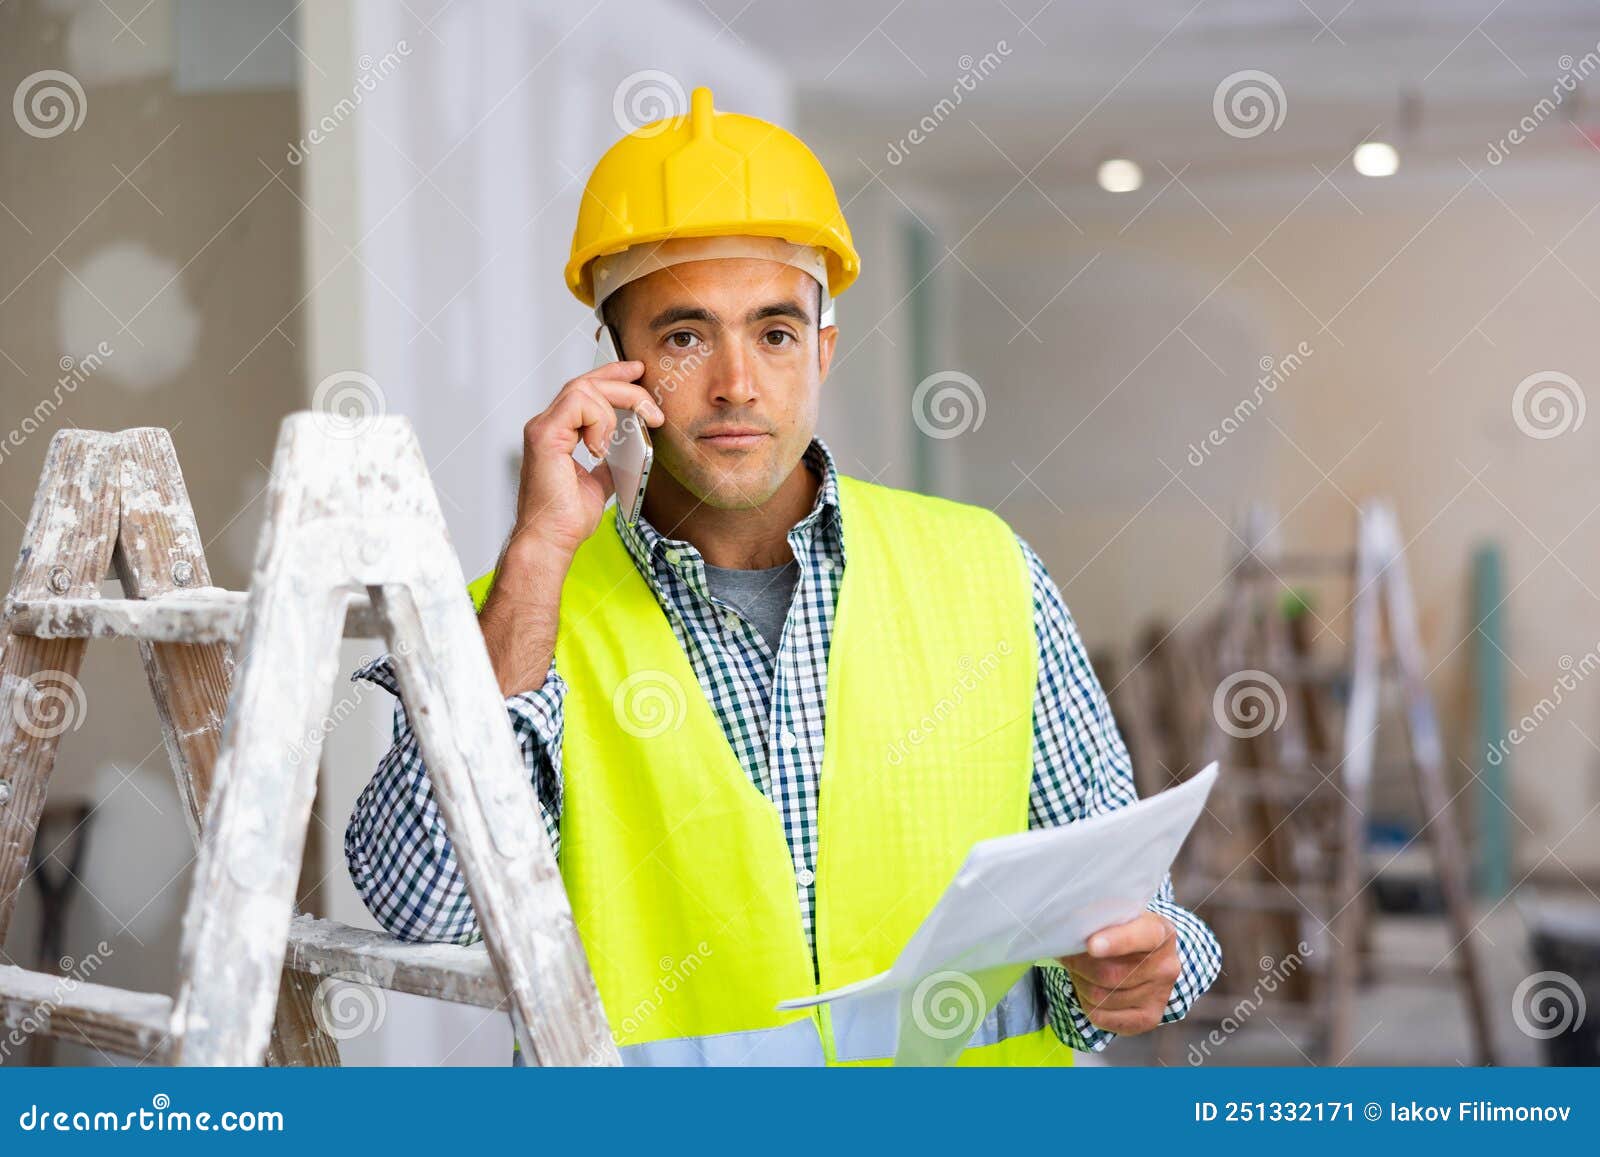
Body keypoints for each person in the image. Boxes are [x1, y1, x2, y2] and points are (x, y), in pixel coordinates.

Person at [345, 85, 1220, 1066]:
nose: (735, 382)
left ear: (821, 351)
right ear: (616, 368)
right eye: (683, 336)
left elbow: (1137, 924)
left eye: (772, 331)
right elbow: (425, 904)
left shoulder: (988, 569)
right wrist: (541, 554)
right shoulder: (518, 617)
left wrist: (1143, 965)